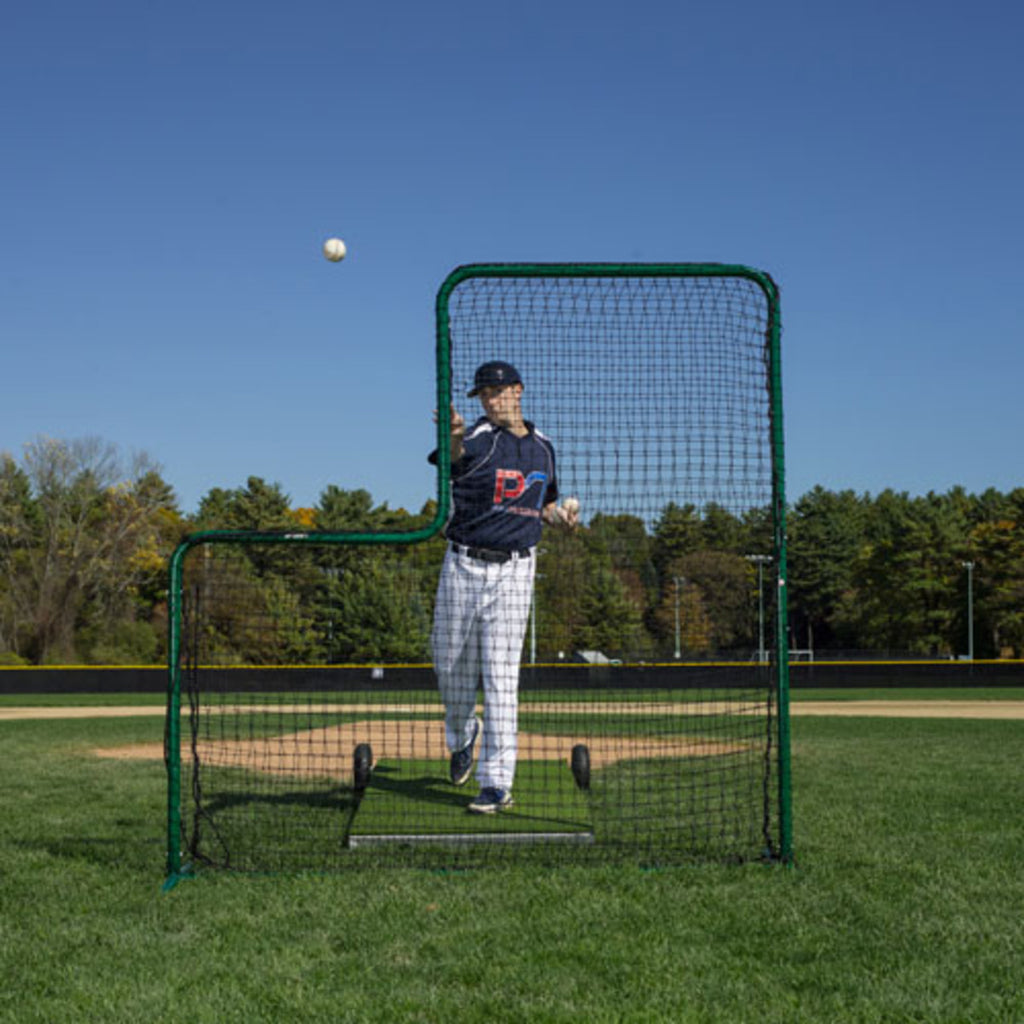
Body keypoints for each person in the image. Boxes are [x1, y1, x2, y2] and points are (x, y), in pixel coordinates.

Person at [429, 360, 578, 813]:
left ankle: (496, 782)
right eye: (483, 395)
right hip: (463, 565)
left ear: (518, 390)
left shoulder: (544, 449)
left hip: (516, 571)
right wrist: (453, 434)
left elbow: (543, 506)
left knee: (501, 678)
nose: (490, 401)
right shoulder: (478, 436)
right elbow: (455, 459)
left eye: (496, 392)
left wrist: (561, 518)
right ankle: (462, 734)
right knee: (449, 668)